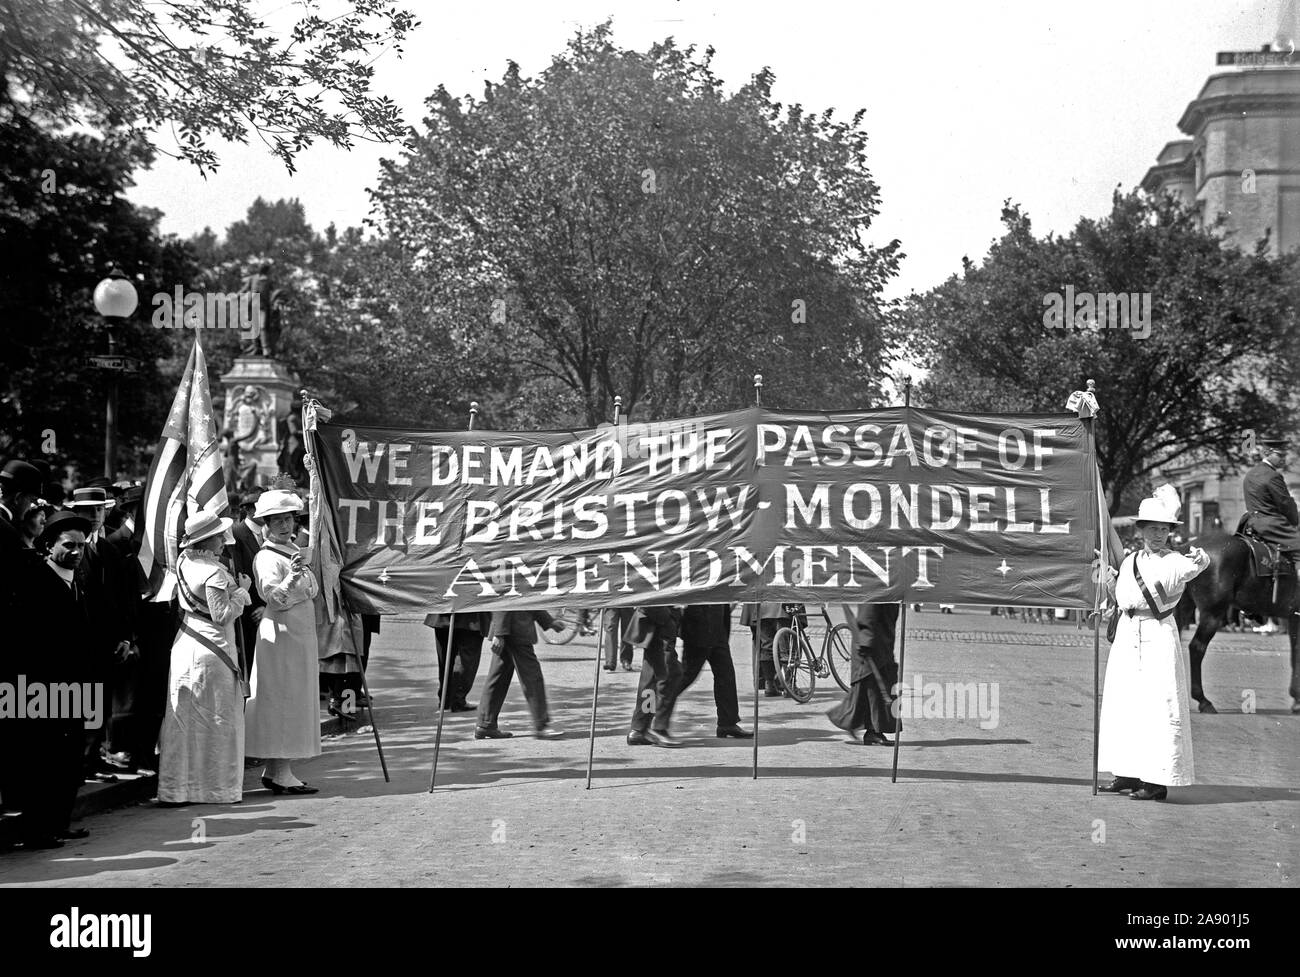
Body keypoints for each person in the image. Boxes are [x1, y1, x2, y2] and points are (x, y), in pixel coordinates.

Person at [1098, 493, 1211, 801]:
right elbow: (1121, 597)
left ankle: (1157, 781)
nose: (1159, 535)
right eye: (1153, 529)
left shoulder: (1175, 561)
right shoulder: (1131, 560)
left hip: (1158, 632)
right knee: (1125, 701)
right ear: (1141, 531)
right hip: (1127, 633)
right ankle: (1126, 774)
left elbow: (1192, 568)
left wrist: (1201, 559)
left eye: (1164, 530)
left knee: (1158, 704)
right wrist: (1109, 586)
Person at [9, 512, 95, 848]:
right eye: (69, 545)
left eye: (82, 546)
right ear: (50, 545)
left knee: (70, 759)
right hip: (42, 688)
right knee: (42, 760)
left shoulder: (78, 581)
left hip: (77, 685)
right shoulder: (36, 579)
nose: (76, 552)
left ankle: (59, 822)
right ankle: (36, 830)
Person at [158, 512, 252, 805]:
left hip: (187, 642)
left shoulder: (185, 562)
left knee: (184, 720)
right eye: (218, 536)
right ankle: (215, 787)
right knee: (218, 719)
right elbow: (221, 614)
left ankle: (179, 788)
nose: (224, 541)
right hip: (213, 649)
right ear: (205, 541)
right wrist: (243, 593)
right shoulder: (212, 572)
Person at [245, 489, 322, 794]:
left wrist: (301, 576)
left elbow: (312, 589)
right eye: (276, 520)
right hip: (281, 635)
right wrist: (293, 578)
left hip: (298, 634)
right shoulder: (266, 556)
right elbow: (271, 596)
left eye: (288, 518)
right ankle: (282, 770)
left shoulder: (293, 550)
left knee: (294, 696)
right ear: (265, 524)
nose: (284, 525)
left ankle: (276, 768)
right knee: (283, 699)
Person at [68, 485, 138, 778]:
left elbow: (121, 597)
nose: (95, 515)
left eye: (99, 509)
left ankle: (95, 754)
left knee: (103, 700)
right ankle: (82, 760)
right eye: (88, 510)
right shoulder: (73, 548)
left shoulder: (108, 547)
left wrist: (125, 637)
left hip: (108, 639)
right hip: (82, 638)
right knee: (83, 701)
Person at [475, 610, 564, 739]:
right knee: (533, 678)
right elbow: (504, 598)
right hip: (514, 629)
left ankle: (485, 724)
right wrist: (499, 633)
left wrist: (549, 621)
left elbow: (527, 596)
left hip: (512, 628)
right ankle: (542, 724)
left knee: (498, 678)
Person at [827, 603, 900, 746]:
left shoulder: (887, 587)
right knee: (873, 691)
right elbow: (868, 612)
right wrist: (866, 641)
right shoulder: (876, 586)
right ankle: (870, 730)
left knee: (872, 691)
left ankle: (864, 727)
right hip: (871, 645)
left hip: (881, 644)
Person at [677, 604, 750, 738]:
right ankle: (652, 717)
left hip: (717, 625)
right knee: (685, 676)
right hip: (698, 625)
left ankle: (728, 723)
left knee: (726, 674)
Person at [625, 605, 684, 747]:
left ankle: (639, 729)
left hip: (658, 625)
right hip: (658, 624)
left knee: (650, 679)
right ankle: (658, 728)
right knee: (669, 675)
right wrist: (667, 617)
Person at [423, 612, 489, 711]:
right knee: (466, 658)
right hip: (470, 615)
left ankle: (446, 698)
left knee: (446, 656)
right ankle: (456, 699)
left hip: (445, 611)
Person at [740, 602, 804, 696]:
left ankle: (770, 685)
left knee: (767, 647)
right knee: (787, 648)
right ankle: (790, 686)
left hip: (762, 608)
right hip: (783, 607)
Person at [602, 605, 635, 671]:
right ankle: (610, 662)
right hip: (612, 599)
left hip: (627, 599)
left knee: (627, 628)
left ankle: (626, 660)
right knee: (610, 627)